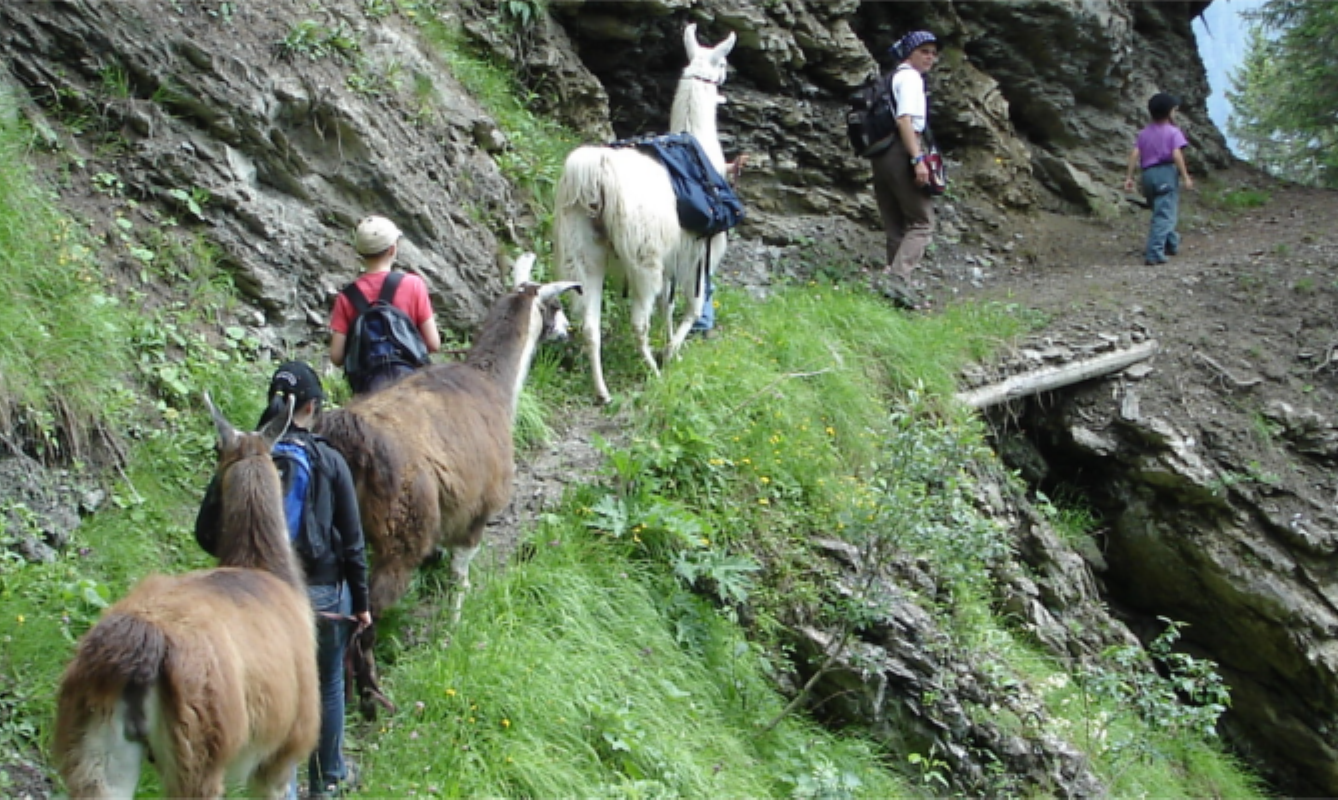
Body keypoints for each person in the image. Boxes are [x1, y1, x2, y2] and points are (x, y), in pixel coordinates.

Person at [195, 361, 371, 799]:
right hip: (323, 594)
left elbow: (205, 531)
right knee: (328, 682)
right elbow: (353, 543)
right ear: (311, 407)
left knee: (278, 693)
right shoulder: (329, 459)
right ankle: (328, 779)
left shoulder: (242, 454)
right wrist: (362, 603)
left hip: (257, 601)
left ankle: (283, 788)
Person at [329, 215, 442, 393]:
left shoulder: (347, 296)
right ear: (392, 249)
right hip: (411, 385)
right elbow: (433, 343)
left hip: (369, 389)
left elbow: (336, 356)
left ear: (360, 252)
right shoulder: (413, 284)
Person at [870, 29, 940, 311]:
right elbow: (905, 121)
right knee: (922, 222)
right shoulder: (910, 78)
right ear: (909, 53)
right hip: (902, 150)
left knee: (896, 224)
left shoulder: (890, 78)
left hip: (880, 155)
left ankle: (895, 297)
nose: (930, 58)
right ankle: (897, 279)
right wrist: (917, 159)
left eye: (933, 53)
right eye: (924, 51)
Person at [1124, 93, 1194, 265]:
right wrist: (1185, 176)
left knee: (1160, 209)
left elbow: (1134, 153)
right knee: (1165, 214)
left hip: (1147, 175)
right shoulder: (1173, 132)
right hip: (1165, 173)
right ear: (1169, 112)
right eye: (1174, 110)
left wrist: (1129, 177)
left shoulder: (1144, 133)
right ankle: (1154, 252)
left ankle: (1171, 244)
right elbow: (1176, 154)